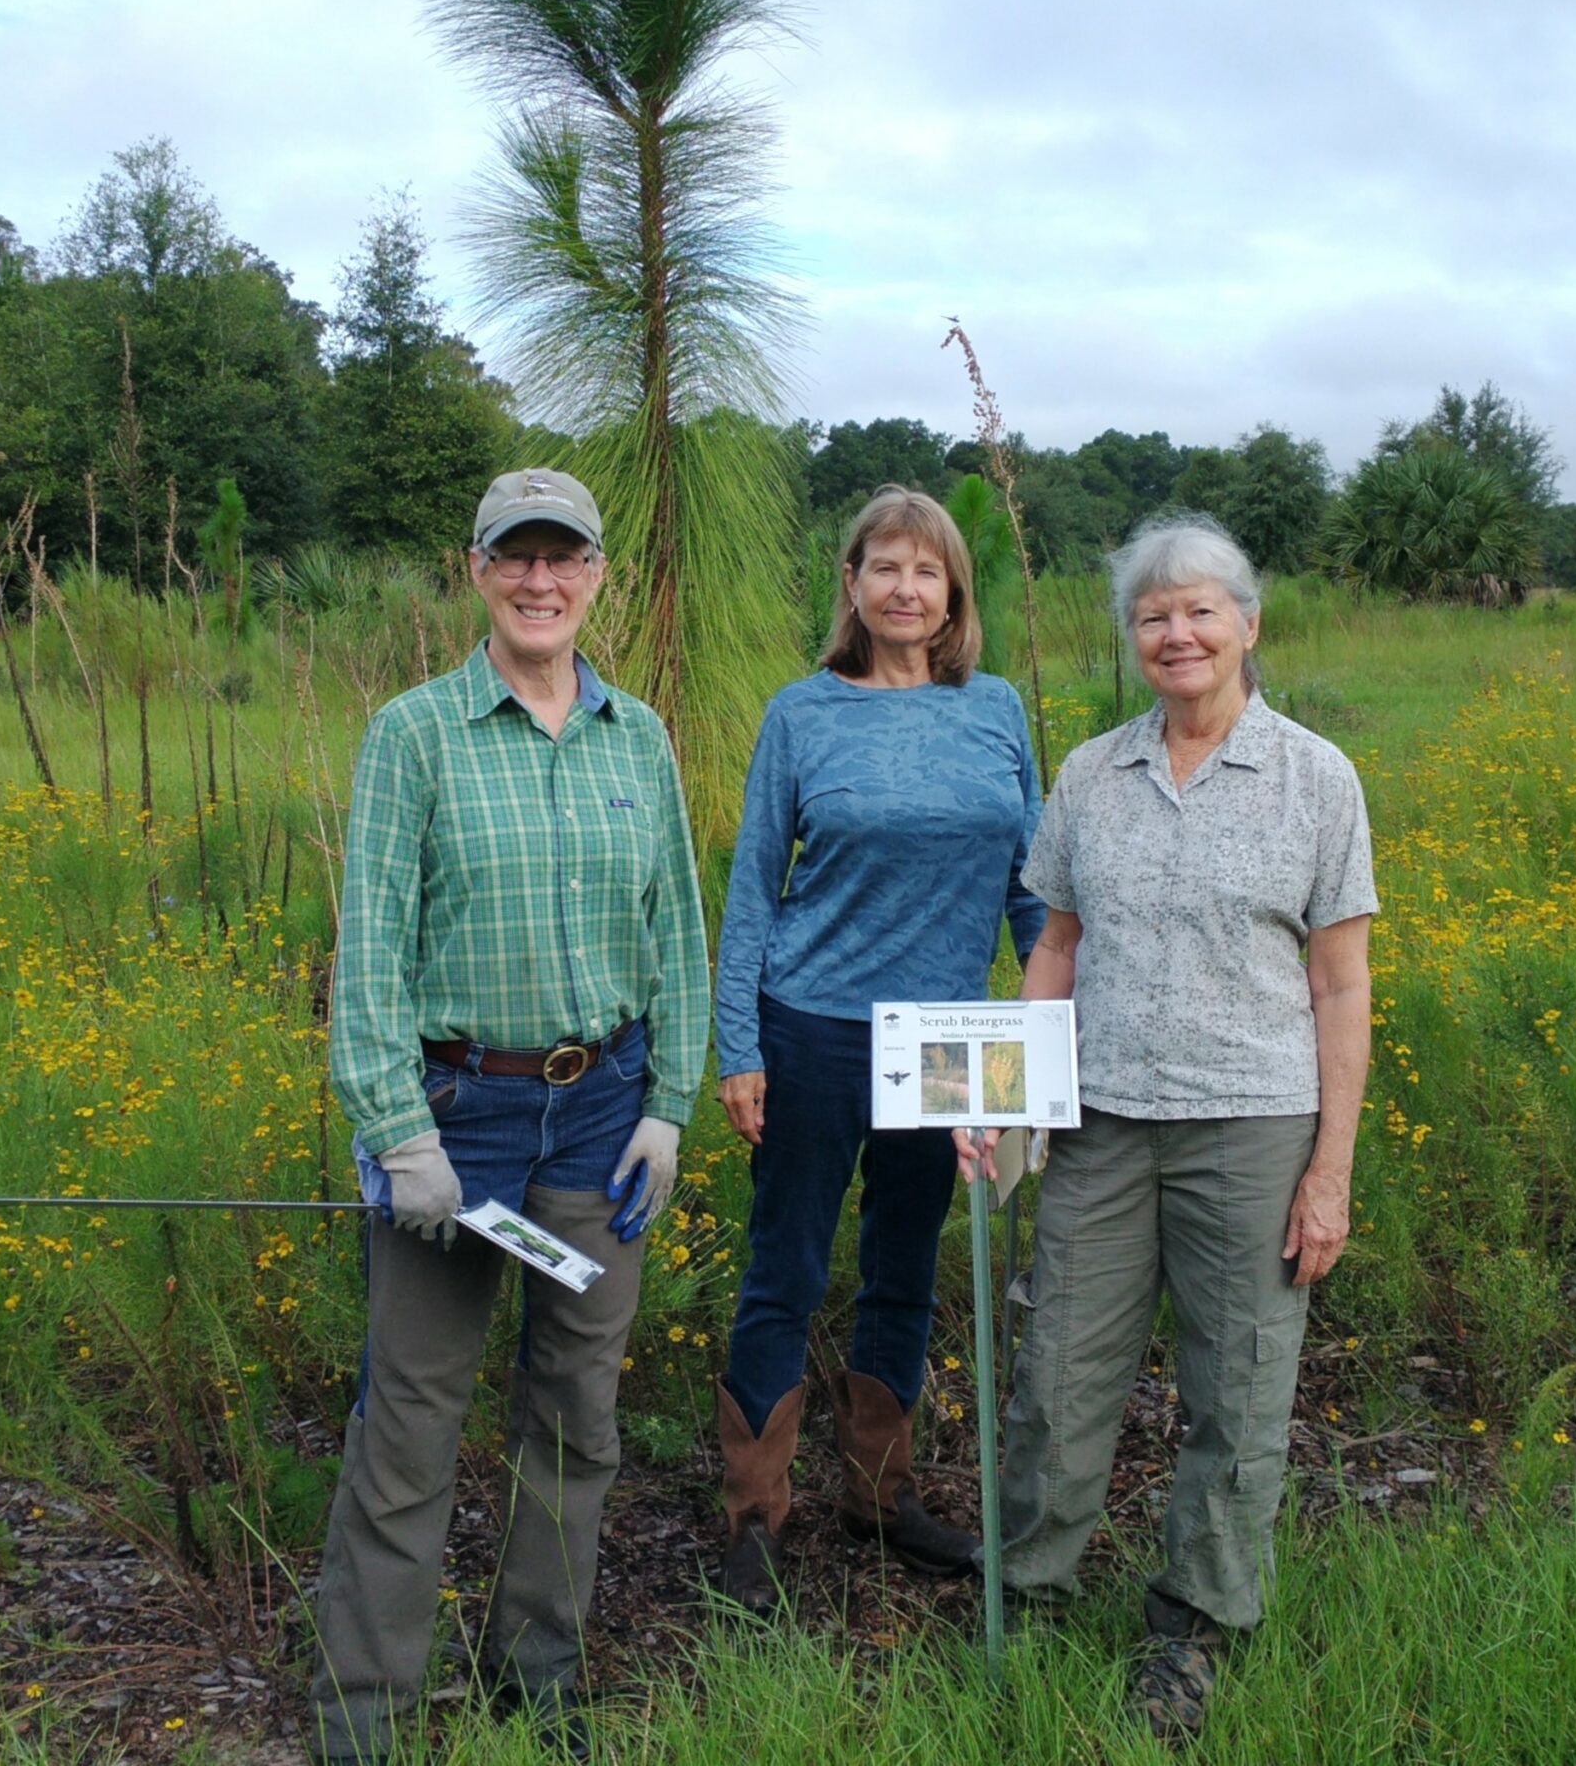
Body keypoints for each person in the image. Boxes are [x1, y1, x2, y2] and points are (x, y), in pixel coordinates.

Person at [308, 469, 710, 1766]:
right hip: (456, 1117)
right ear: (473, 569)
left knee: (575, 1414)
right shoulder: (413, 734)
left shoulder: (636, 738)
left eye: (566, 558)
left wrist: (669, 1106)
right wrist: (396, 1130)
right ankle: (367, 1714)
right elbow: (369, 951)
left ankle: (534, 1679)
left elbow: (679, 934)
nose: (541, 582)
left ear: (601, 577)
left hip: (600, 1123)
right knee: (411, 1427)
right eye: (514, 557)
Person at [958, 513, 1377, 1746]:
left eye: (1200, 610)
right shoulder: (1093, 773)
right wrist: (1003, 1101)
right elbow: (1055, 945)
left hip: (1251, 1129)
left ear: (1248, 623)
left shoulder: (1315, 777)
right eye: (1152, 615)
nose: (1176, 632)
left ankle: (1192, 1625)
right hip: (1097, 1123)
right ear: (1131, 638)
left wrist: (1329, 1172)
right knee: (1057, 1375)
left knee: (1238, 1386)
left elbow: (1340, 984)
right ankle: (1024, 1594)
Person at [711, 485, 1047, 1611]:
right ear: (851, 584)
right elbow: (754, 883)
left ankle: (879, 1495)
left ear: (954, 593)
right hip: (812, 1026)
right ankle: (755, 1515)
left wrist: (1040, 1044)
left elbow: (1032, 888)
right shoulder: (801, 714)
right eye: (884, 568)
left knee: (906, 1267)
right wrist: (738, 1042)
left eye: (929, 571)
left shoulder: (995, 708)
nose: (906, 589)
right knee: (788, 1268)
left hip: (953, 1036)